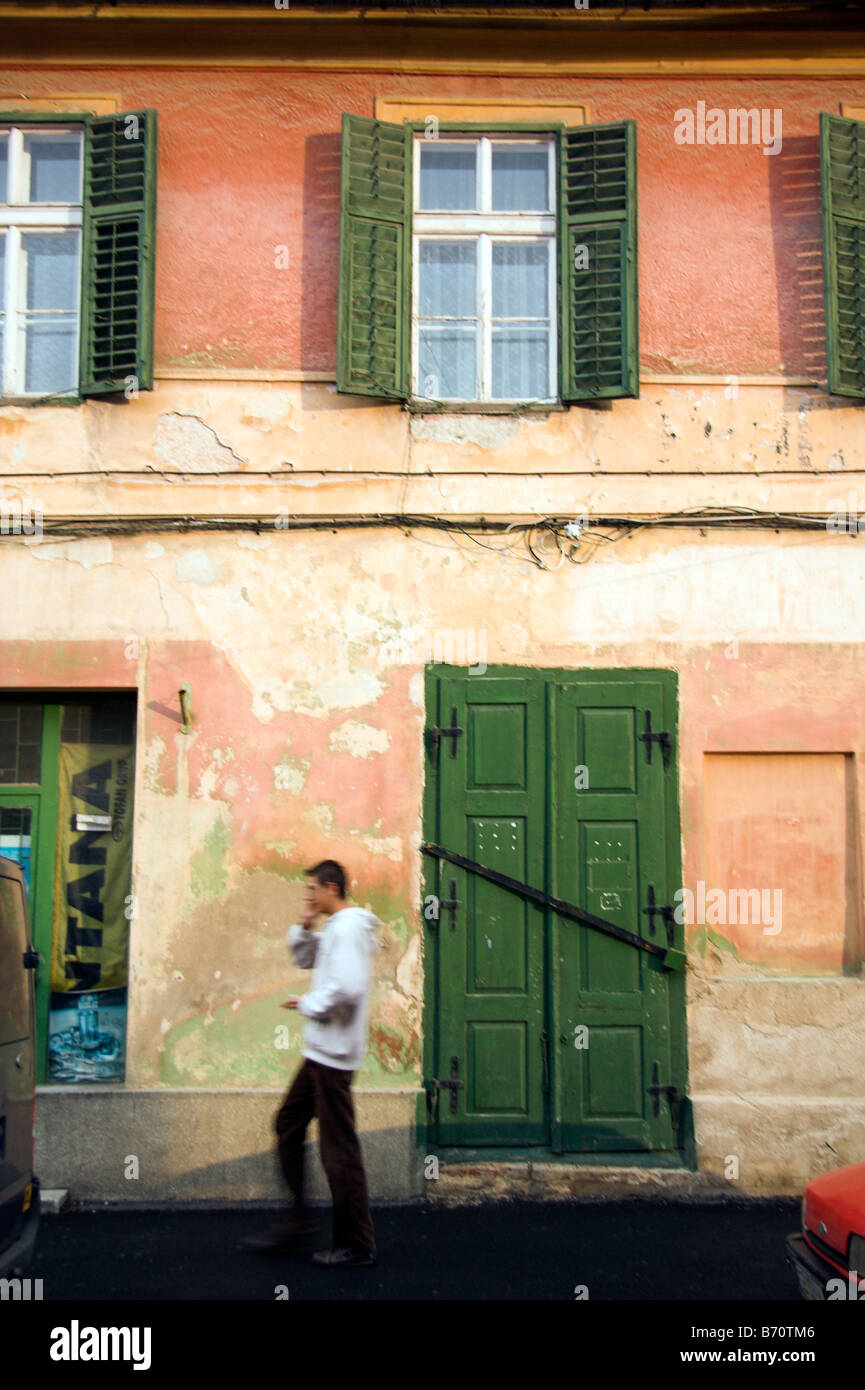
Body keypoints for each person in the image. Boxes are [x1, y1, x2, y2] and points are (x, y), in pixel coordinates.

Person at [244, 859, 380, 1268]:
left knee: (339, 1150)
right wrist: (304, 923)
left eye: (312, 891)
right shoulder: (336, 928)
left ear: (332, 888)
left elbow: (349, 988)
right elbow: (306, 959)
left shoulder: (351, 928)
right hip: (320, 1052)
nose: (309, 896)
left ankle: (356, 1243)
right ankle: (298, 1223)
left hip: (334, 1056)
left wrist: (308, 1004)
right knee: (288, 1124)